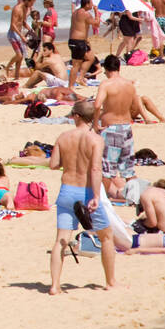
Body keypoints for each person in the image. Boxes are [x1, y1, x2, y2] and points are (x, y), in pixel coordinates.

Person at [49, 101, 116, 294]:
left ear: (76, 116)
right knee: (106, 237)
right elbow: (95, 169)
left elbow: (53, 164)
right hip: (85, 192)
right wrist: (96, 195)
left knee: (61, 240)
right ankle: (110, 282)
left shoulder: (63, 137)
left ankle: (54, 285)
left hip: (66, 190)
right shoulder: (95, 139)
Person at [94, 54, 138, 199]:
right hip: (126, 127)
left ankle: (102, 199)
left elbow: (97, 105)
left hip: (111, 128)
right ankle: (134, 197)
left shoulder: (106, 84)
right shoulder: (129, 84)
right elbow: (135, 106)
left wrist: (95, 123)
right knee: (128, 167)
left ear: (106, 69)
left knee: (107, 168)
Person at [68, 0, 98, 90]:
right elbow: (96, 24)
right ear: (87, 4)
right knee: (76, 65)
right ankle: (71, 86)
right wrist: (96, 11)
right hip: (78, 42)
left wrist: (86, 41)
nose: (92, 5)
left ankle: (80, 78)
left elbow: (80, 27)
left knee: (90, 57)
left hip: (74, 40)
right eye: (91, 3)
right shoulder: (86, 14)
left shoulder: (75, 12)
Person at [5, 0, 36, 81]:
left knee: (21, 56)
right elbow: (13, 25)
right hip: (13, 34)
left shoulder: (25, 8)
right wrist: (22, 36)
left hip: (19, 32)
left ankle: (17, 76)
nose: (32, 6)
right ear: (27, 1)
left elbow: (23, 22)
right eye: (31, 3)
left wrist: (31, 31)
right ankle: (8, 67)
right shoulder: (17, 8)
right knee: (19, 55)